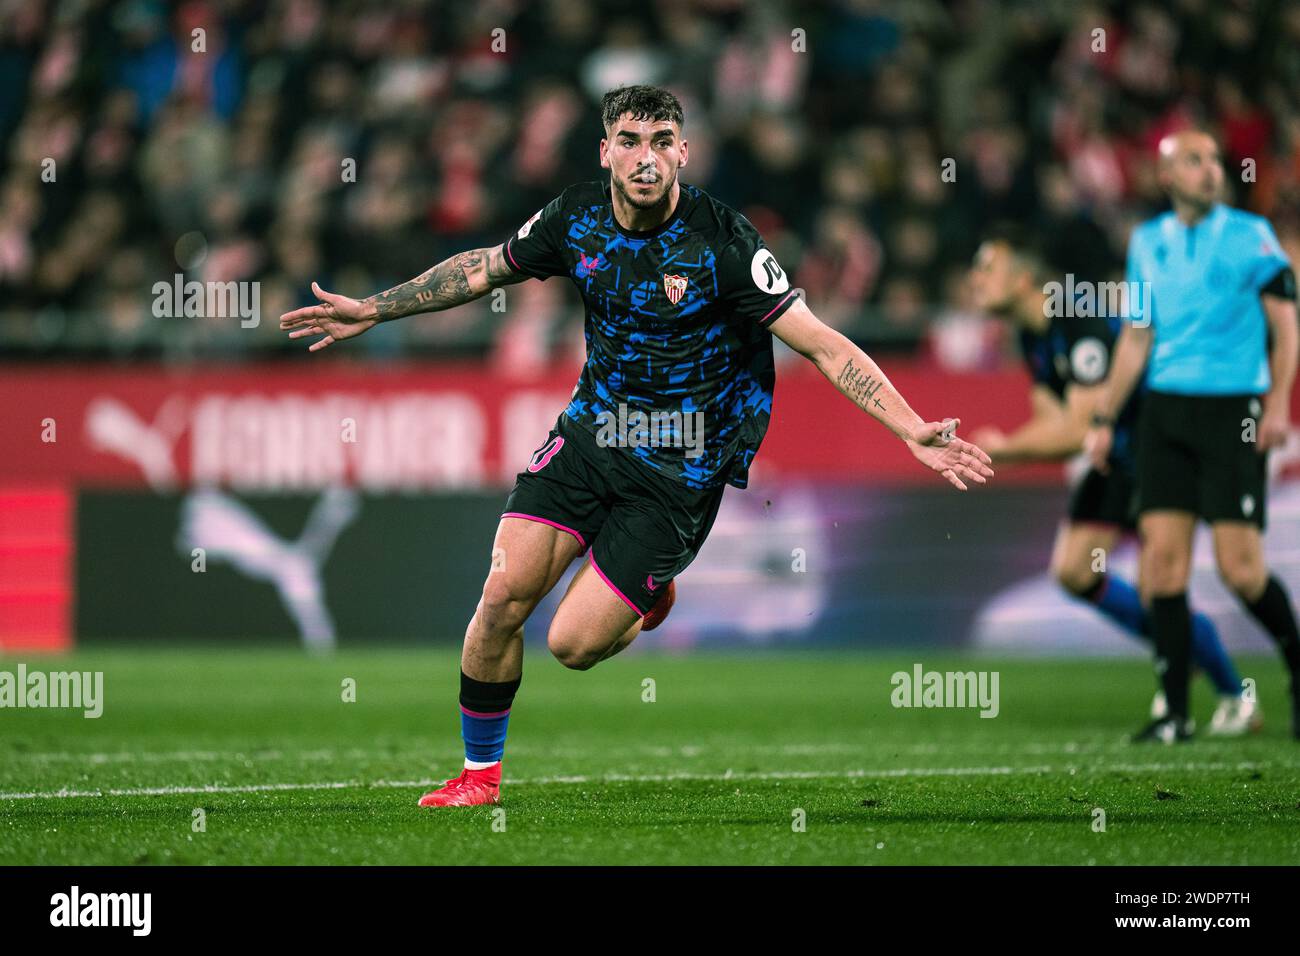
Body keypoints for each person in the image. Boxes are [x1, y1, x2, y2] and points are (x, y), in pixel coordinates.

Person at [280, 85, 994, 805]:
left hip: (683, 465)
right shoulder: (576, 216)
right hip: (593, 434)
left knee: (572, 646)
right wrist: (373, 310)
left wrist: (911, 428)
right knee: (500, 599)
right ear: (606, 151)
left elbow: (821, 344)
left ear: (684, 151)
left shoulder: (726, 241)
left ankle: (647, 594)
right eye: (629, 140)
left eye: (661, 141)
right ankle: (478, 778)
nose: (645, 157)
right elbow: (484, 268)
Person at [969, 230, 1254, 734]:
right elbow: (1053, 423)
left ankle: (1232, 693)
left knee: (1157, 587)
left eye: (987, 268)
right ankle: (1179, 648)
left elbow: (1079, 428)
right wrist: (1003, 450)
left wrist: (1003, 447)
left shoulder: (1077, 314)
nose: (975, 280)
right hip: (1114, 460)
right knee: (1076, 571)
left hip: (1154, 448)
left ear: (1024, 278)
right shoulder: (1033, 334)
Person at [1085, 130, 1299, 742]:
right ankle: (1175, 713)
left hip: (1232, 411)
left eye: (1213, 160)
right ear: (1166, 177)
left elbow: (1287, 327)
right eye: (1193, 161)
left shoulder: (1251, 235)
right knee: (1162, 567)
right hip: (1165, 414)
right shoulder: (1147, 241)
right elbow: (1136, 337)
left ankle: (1296, 664)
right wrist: (1105, 418)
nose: (1210, 170)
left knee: (1241, 569)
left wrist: (1278, 402)